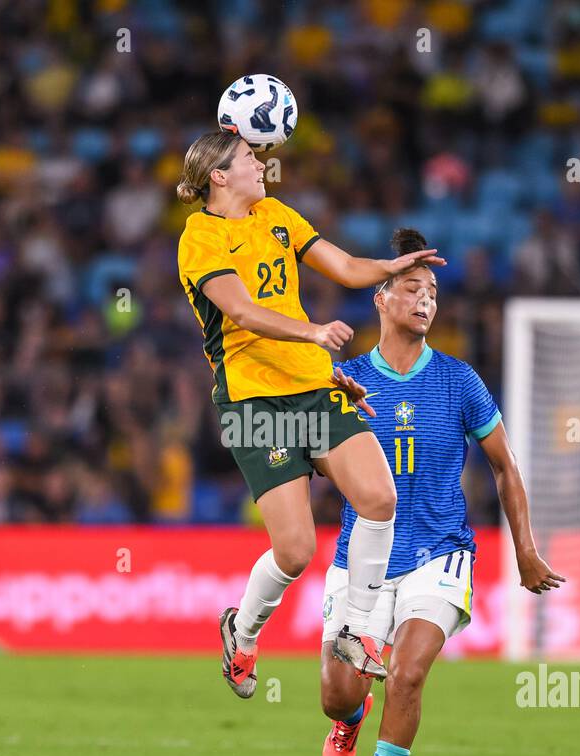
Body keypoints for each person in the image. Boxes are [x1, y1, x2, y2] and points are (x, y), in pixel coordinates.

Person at [318, 228, 564, 756]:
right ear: (381, 298)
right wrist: (327, 417)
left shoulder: (459, 381)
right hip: (362, 560)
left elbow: (505, 468)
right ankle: (350, 718)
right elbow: (313, 461)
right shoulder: (343, 378)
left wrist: (525, 552)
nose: (426, 301)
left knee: (407, 672)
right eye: (411, 288)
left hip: (439, 554)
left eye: (432, 292)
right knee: (335, 691)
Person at [176, 130, 444, 696]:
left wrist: (391, 267)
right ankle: (241, 633)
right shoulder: (198, 237)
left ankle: (356, 628)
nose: (260, 162)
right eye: (250, 157)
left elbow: (345, 267)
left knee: (379, 497)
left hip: (315, 387)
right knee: (295, 550)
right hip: (255, 400)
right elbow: (243, 312)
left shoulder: (275, 213)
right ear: (219, 176)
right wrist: (315, 330)